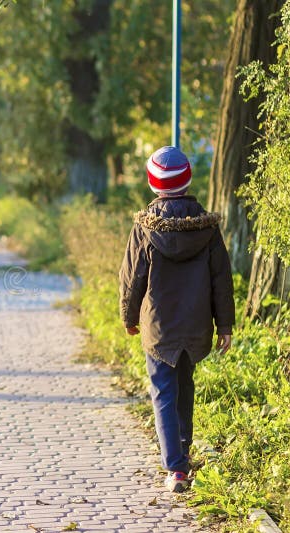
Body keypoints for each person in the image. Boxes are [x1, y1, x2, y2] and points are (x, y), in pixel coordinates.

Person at [119, 146, 235, 493]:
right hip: (196, 324)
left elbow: (132, 277)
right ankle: (183, 451)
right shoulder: (207, 227)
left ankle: (176, 468)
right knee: (185, 386)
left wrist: (128, 315)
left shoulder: (145, 227)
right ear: (187, 181)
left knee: (163, 392)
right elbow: (221, 279)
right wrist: (224, 325)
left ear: (153, 184)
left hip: (159, 326)